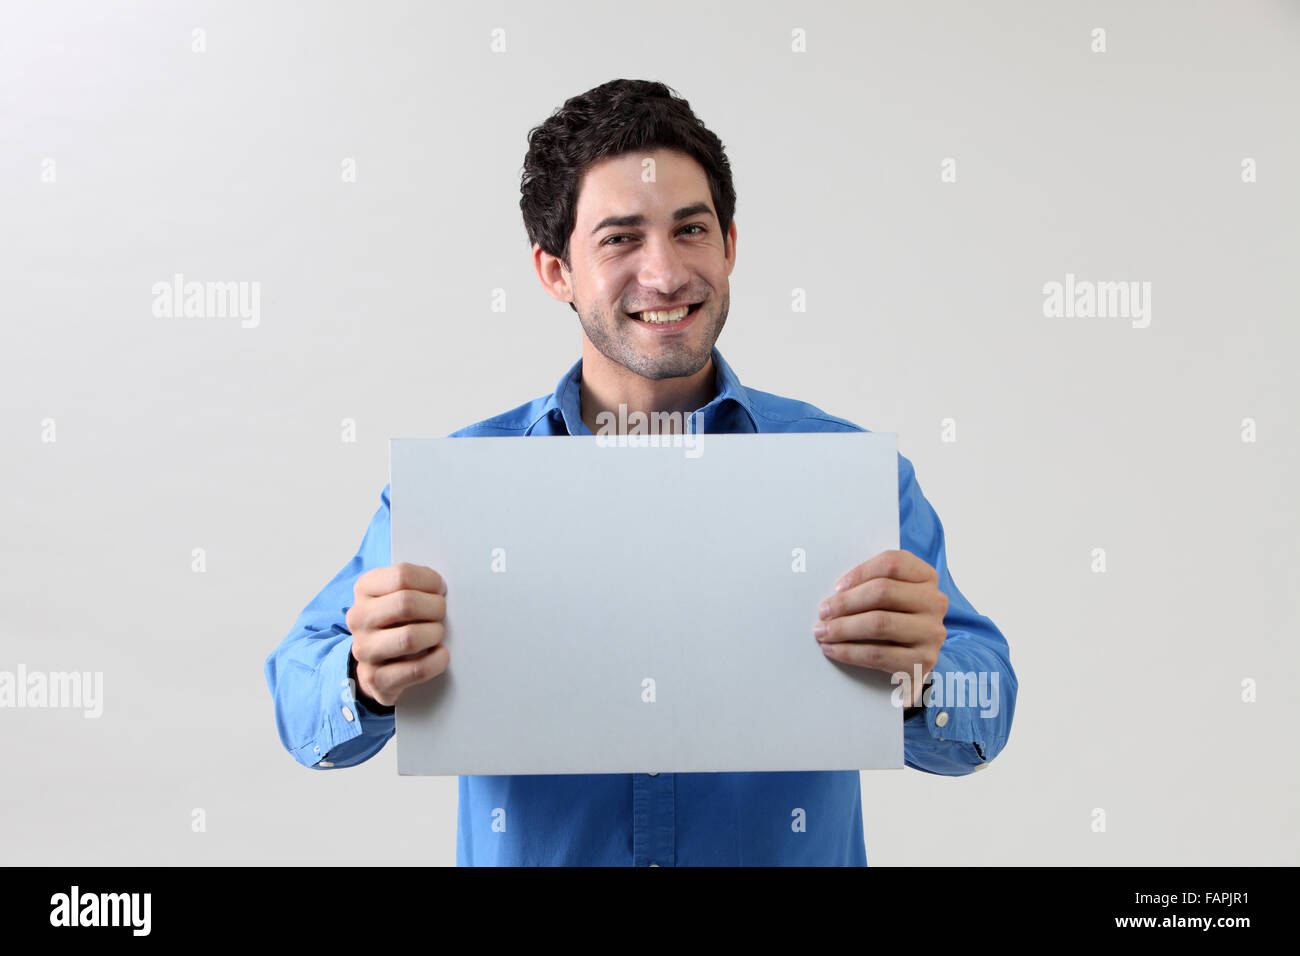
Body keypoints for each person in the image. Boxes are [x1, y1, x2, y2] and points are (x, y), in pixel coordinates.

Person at [264, 78, 1017, 866]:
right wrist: (360, 675)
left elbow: (987, 710)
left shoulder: (850, 475)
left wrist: (925, 680)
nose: (664, 275)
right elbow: (298, 703)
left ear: (730, 244)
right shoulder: (457, 487)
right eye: (620, 238)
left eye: (690, 230)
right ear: (555, 271)